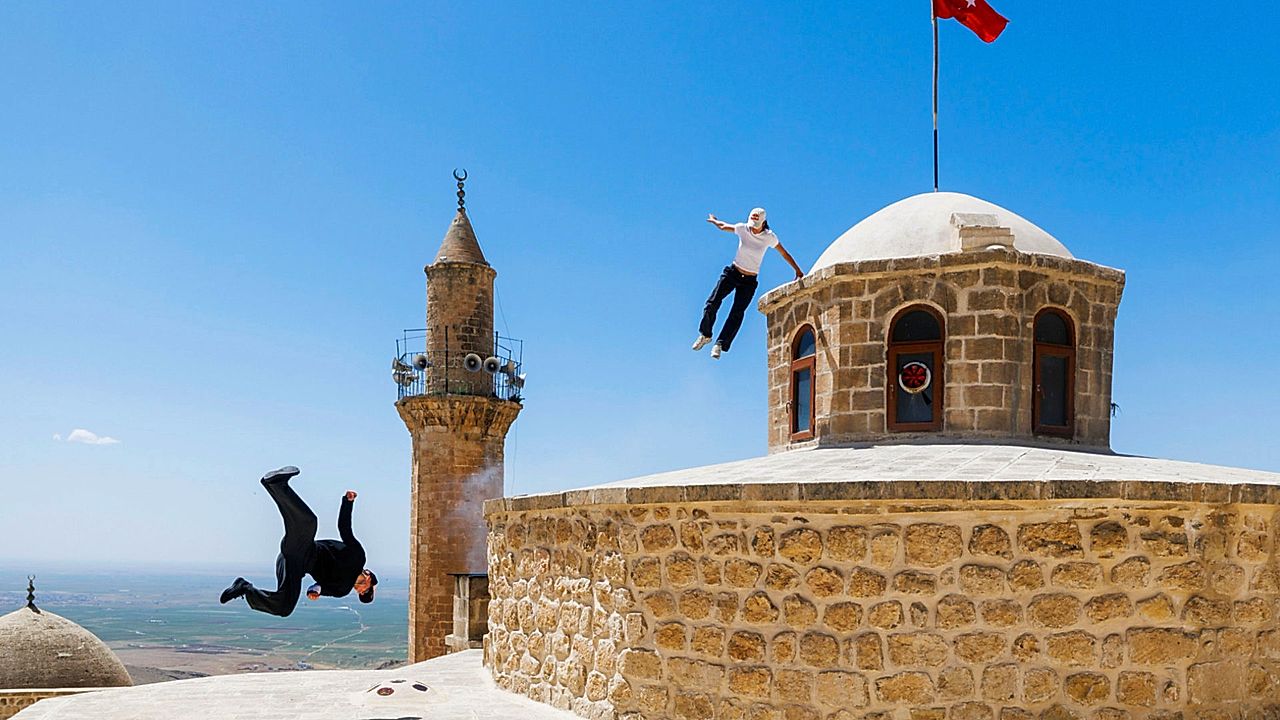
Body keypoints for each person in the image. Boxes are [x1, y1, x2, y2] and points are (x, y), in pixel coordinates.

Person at [220, 466, 377, 617]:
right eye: (367, 590)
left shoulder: (342, 589)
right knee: (309, 522)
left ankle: (244, 588)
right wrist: (347, 503)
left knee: (284, 608)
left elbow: (320, 588)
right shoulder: (358, 557)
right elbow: (344, 529)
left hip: (294, 566)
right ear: (368, 576)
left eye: (363, 594)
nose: (362, 592)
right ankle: (275, 484)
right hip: (305, 548)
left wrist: (313, 592)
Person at [694, 207, 804, 358]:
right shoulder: (743, 228)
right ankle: (705, 334)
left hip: (749, 281)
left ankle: (720, 343)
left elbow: (784, 253)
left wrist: (797, 270)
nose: (753, 227)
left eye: (756, 224)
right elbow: (724, 226)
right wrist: (715, 221)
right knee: (712, 302)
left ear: (763, 222)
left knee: (737, 313)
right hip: (732, 273)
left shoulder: (769, 237)